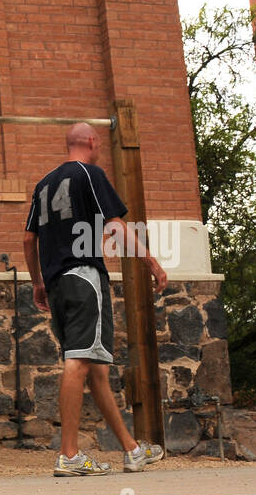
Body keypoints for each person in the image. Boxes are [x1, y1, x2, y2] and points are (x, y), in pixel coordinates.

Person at [23, 122, 169, 476]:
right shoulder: (90, 174)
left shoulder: (43, 185)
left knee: (96, 368)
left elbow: (29, 240)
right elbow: (116, 226)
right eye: (98, 143)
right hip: (84, 277)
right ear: (91, 141)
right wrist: (151, 261)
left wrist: (38, 282)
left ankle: (132, 450)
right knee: (78, 362)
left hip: (57, 283)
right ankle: (69, 455)